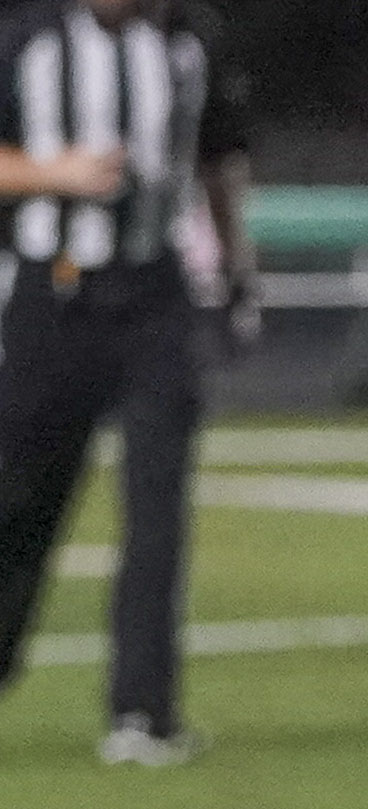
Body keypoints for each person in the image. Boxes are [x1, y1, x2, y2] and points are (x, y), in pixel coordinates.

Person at [0, 0, 251, 768]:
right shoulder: (25, 40)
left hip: (156, 298)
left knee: (157, 512)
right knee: (19, 503)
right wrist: (53, 172)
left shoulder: (190, 41)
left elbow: (221, 159)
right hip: (57, 297)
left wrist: (238, 265)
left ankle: (142, 711)